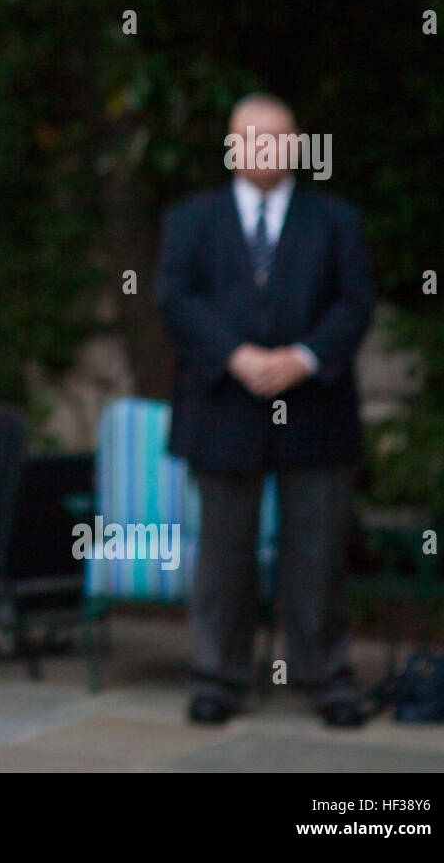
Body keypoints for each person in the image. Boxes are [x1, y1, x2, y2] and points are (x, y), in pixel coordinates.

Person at [154, 93, 375, 729]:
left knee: (319, 553)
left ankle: (326, 677)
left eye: (277, 138)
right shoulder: (190, 220)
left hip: (317, 408)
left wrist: (304, 357)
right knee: (223, 556)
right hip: (223, 407)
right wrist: (236, 356)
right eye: (250, 138)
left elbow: (355, 302)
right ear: (231, 145)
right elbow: (174, 300)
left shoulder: (336, 220)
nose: (263, 149)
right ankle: (217, 678)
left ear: (297, 146)